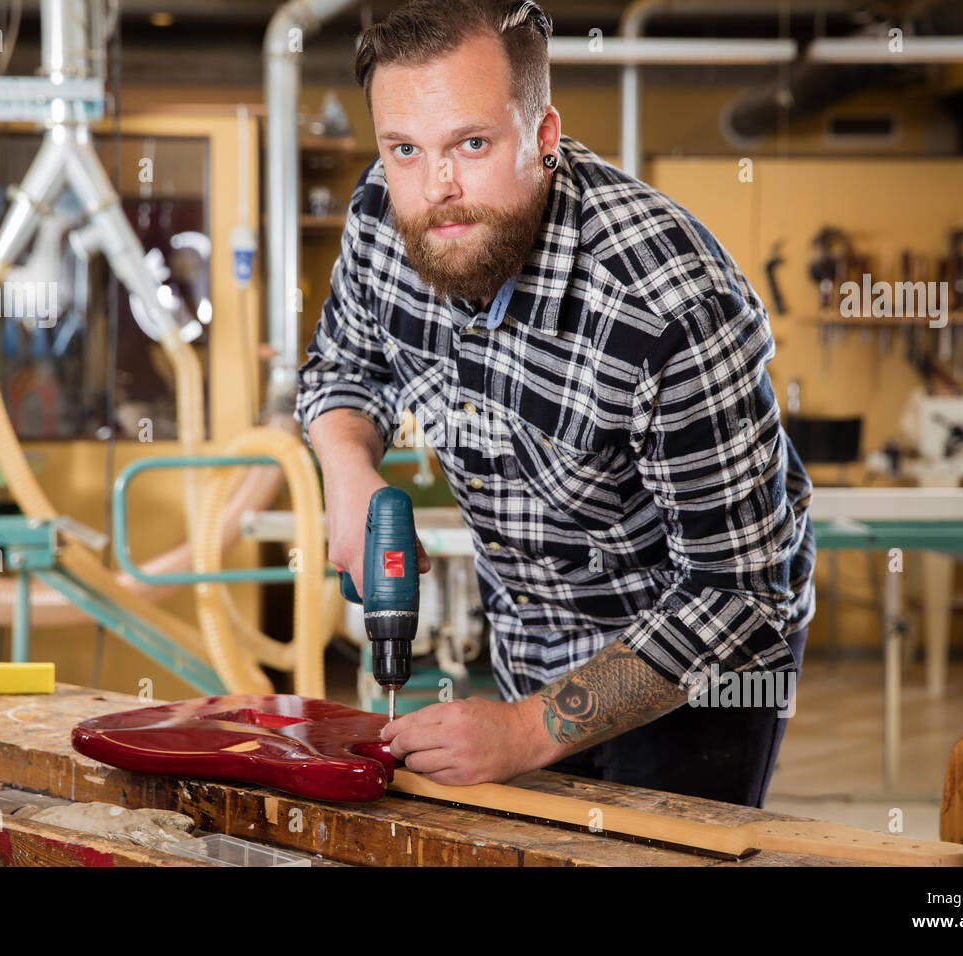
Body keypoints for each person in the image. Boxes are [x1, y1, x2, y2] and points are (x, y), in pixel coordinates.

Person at [295, 0, 815, 809]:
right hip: (528, 635)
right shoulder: (382, 218)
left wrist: (523, 732)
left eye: (472, 143)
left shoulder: (669, 305)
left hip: (695, 672)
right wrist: (348, 467)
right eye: (405, 149)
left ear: (543, 140)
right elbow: (342, 370)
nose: (440, 189)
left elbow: (739, 595)